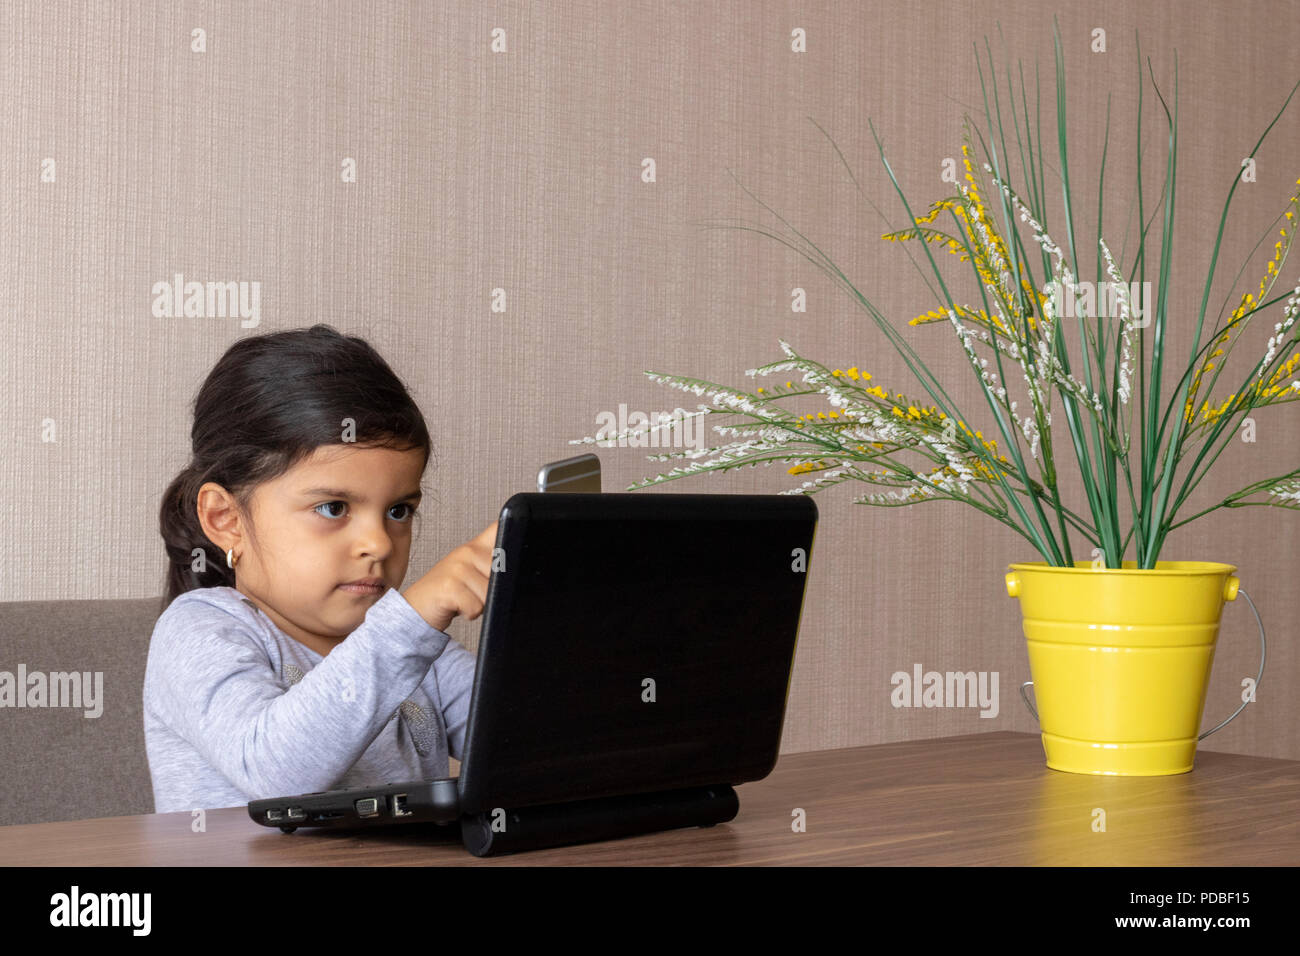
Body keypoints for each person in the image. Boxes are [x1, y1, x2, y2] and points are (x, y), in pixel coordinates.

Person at [145, 324, 496, 813]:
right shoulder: (200, 630)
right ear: (226, 521)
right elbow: (276, 773)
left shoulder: (423, 659)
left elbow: (535, 742)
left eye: (399, 511)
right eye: (333, 508)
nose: (377, 543)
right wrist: (410, 624)